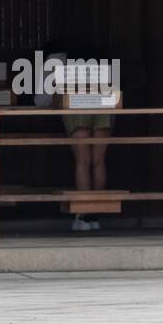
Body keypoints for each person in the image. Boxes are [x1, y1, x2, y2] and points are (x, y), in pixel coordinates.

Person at [37, 40, 114, 231]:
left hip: (76, 103)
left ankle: (84, 215)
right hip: (103, 102)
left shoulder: (63, 71)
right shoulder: (103, 72)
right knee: (98, 161)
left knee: (82, 161)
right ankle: (95, 216)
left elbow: (49, 101)